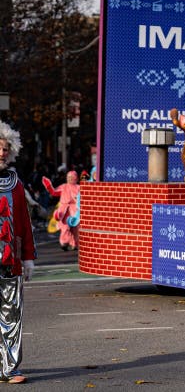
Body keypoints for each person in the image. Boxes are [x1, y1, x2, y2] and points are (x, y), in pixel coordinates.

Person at [0, 121, 36, 384]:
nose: (2, 152)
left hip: (9, 262)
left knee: (11, 314)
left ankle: (10, 368)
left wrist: (28, 258)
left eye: (5, 148)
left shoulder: (14, 183)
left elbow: (24, 221)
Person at [42, 170, 80, 251]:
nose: (70, 179)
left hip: (75, 209)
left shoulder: (79, 188)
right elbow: (54, 192)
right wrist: (48, 186)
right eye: (68, 177)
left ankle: (75, 243)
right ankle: (64, 242)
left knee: (75, 228)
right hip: (64, 210)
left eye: (72, 177)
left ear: (76, 178)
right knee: (65, 226)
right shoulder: (64, 186)